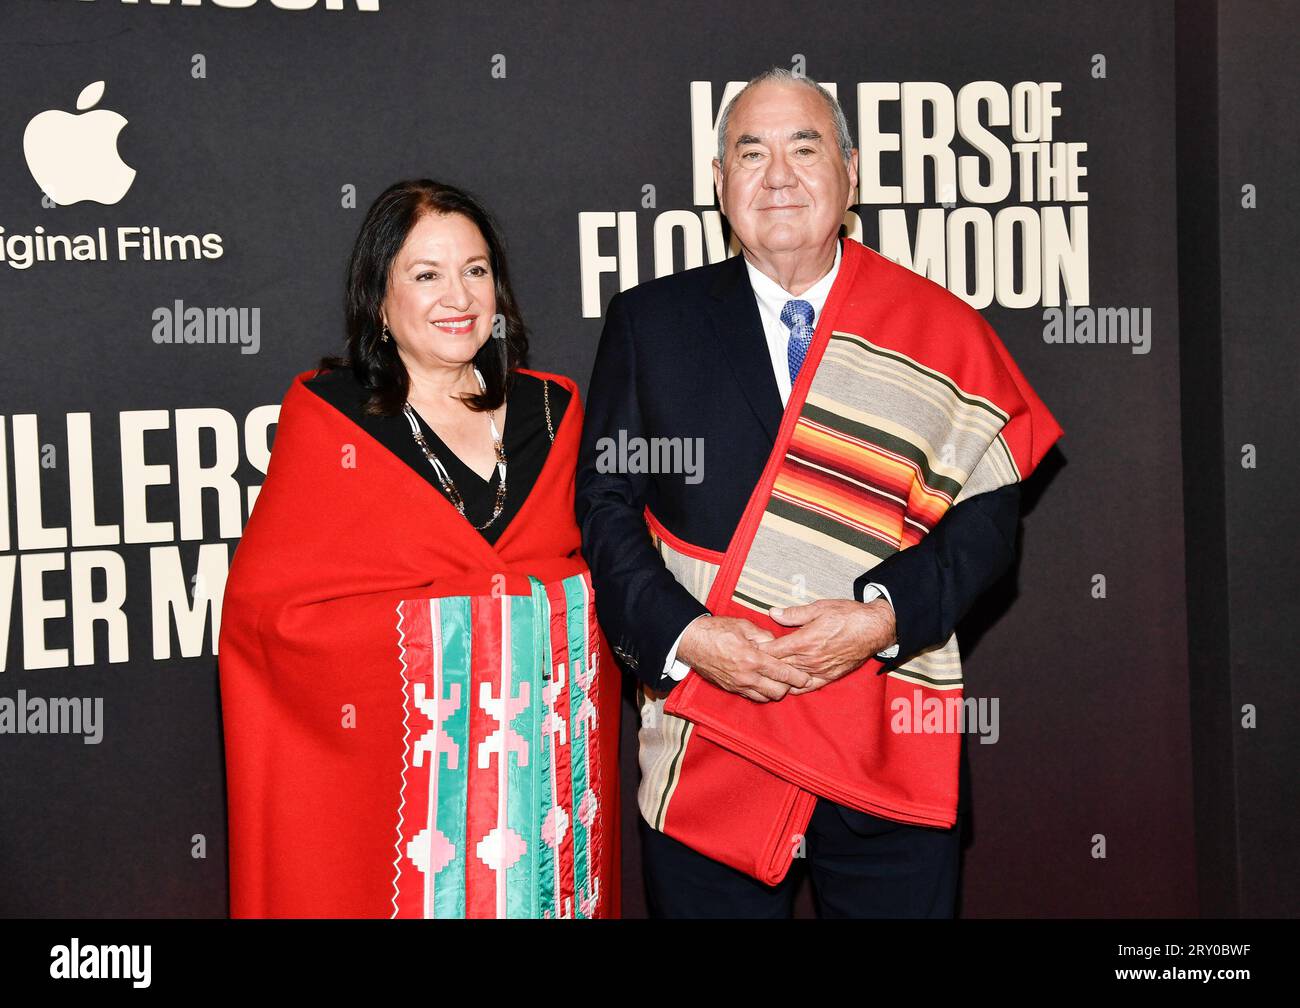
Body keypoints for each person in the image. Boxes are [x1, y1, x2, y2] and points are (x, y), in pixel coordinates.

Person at [576, 69, 1062, 918]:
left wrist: (883, 618)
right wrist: (689, 639)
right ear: (720, 184)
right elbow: (606, 509)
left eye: (804, 147)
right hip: (712, 733)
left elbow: (987, 526)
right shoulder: (651, 322)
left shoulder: (936, 328)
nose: (778, 174)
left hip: (883, 730)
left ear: (851, 172)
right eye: (749, 151)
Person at [219, 179, 619, 918]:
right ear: (379, 297)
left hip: (538, 799)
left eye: (475, 270)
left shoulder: (552, 410)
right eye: (426, 274)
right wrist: (480, 623)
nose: (458, 296)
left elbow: (593, 573)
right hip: (397, 800)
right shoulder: (331, 415)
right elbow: (270, 618)